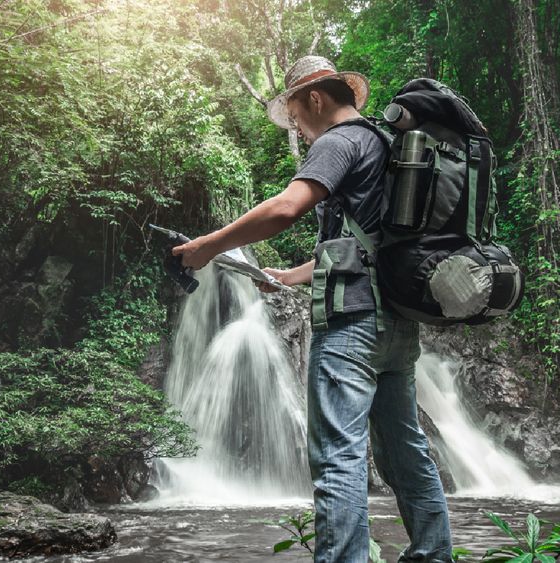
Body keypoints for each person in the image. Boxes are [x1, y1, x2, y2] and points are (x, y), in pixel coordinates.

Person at [172, 55, 452, 563]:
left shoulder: (338, 141)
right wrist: (286, 276)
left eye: (295, 115)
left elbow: (286, 207)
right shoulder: (386, 145)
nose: (297, 127)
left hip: (351, 327)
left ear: (315, 99)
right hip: (397, 324)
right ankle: (434, 554)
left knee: (339, 456)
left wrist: (207, 247)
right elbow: (365, 242)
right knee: (405, 450)